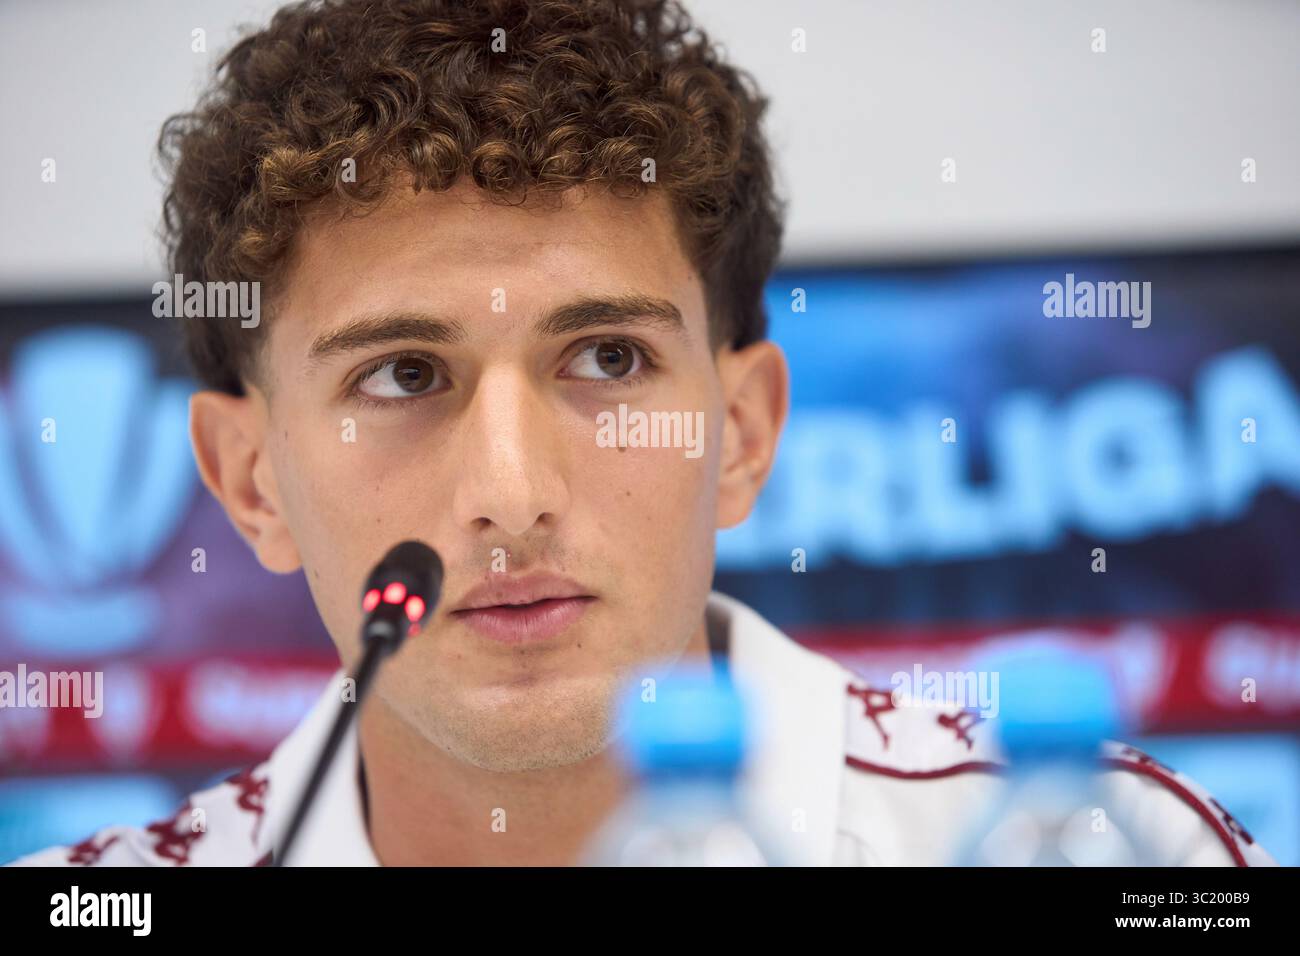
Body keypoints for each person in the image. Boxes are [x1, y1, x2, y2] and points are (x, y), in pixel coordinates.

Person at [9, 0, 1273, 867]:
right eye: (403, 374)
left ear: (739, 431)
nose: (510, 493)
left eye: (607, 358)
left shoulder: (1115, 848)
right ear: (249, 484)